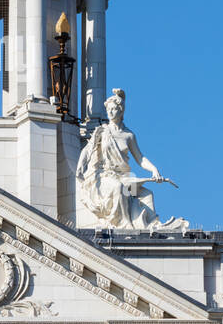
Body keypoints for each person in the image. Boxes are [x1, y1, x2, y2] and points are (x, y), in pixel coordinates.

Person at [76, 88, 188, 233]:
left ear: (121, 111)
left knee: (147, 194)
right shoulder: (102, 132)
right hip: (105, 177)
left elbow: (140, 158)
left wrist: (154, 170)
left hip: (125, 178)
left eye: (113, 109)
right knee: (118, 188)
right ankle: (125, 225)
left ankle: (152, 227)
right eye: (108, 110)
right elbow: (87, 150)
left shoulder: (129, 135)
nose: (110, 112)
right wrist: (80, 167)